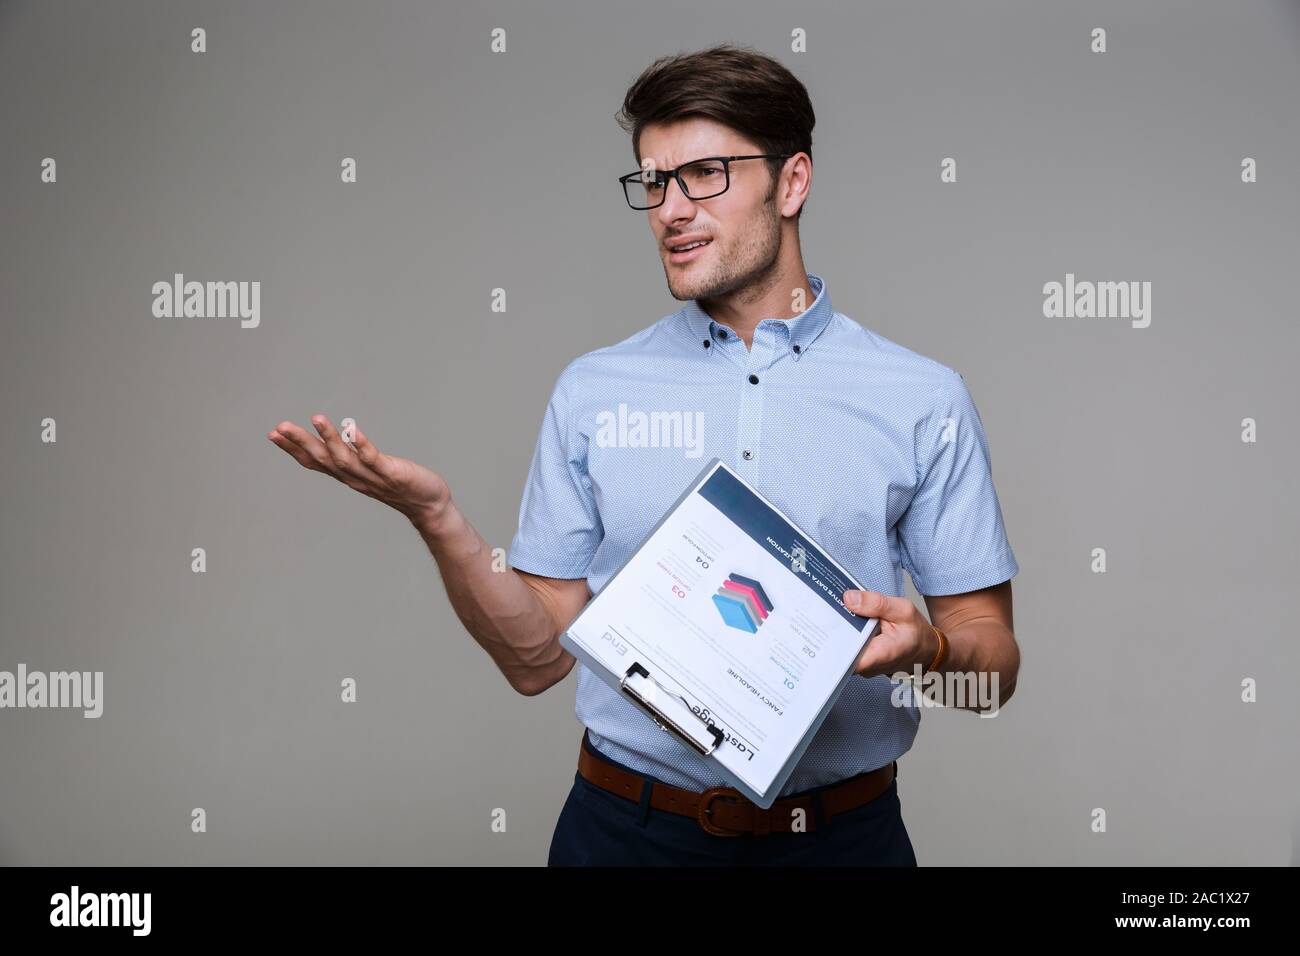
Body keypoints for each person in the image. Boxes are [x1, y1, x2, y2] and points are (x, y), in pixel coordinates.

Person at [267, 43, 1020, 867]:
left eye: (705, 174)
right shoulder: (594, 391)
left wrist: (931, 650)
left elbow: (992, 665)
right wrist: (437, 518)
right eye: (654, 182)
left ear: (793, 182)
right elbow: (535, 660)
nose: (670, 209)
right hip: (625, 835)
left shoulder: (921, 397)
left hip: (841, 842)